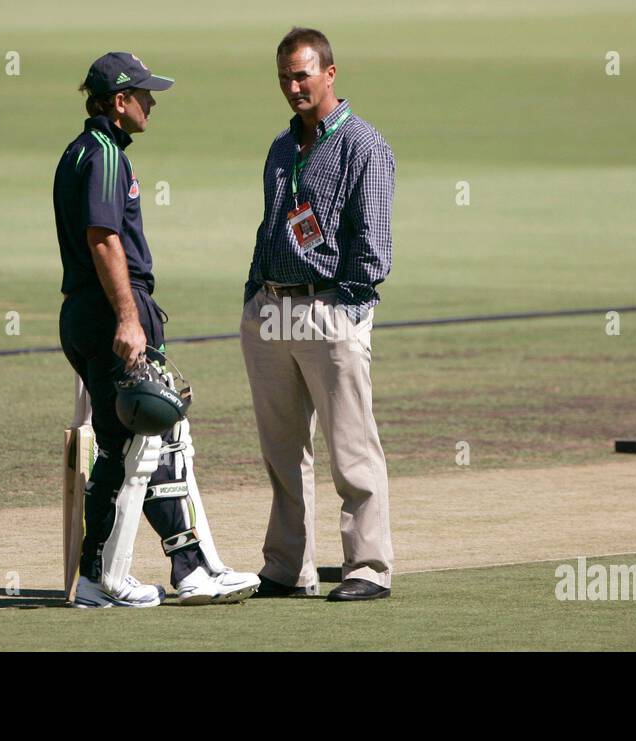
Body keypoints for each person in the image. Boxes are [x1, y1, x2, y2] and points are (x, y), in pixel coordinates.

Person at [54, 52, 259, 607]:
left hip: (90, 311)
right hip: (110, 312)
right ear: (118, 102)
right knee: (133, 444)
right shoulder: (103, 156)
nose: (152, 102)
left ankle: (190, 567)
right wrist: (127, 317)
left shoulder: (83, 152)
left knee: (162, 434)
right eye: (144, 94)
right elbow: (103, 238)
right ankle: (104, 578)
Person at [240, 28, 396, 601]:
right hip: (271, 308)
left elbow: (374, 245)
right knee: (283, 451)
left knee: (352, 448)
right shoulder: (283, 146)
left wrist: (344, 309)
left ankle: (367, 568)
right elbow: (268, 224)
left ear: (330, 73)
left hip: (330, 308)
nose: (292, 86)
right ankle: (288, 567)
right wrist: (255, 294)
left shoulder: (364, 145)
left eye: (302, 74)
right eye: (284, 76)